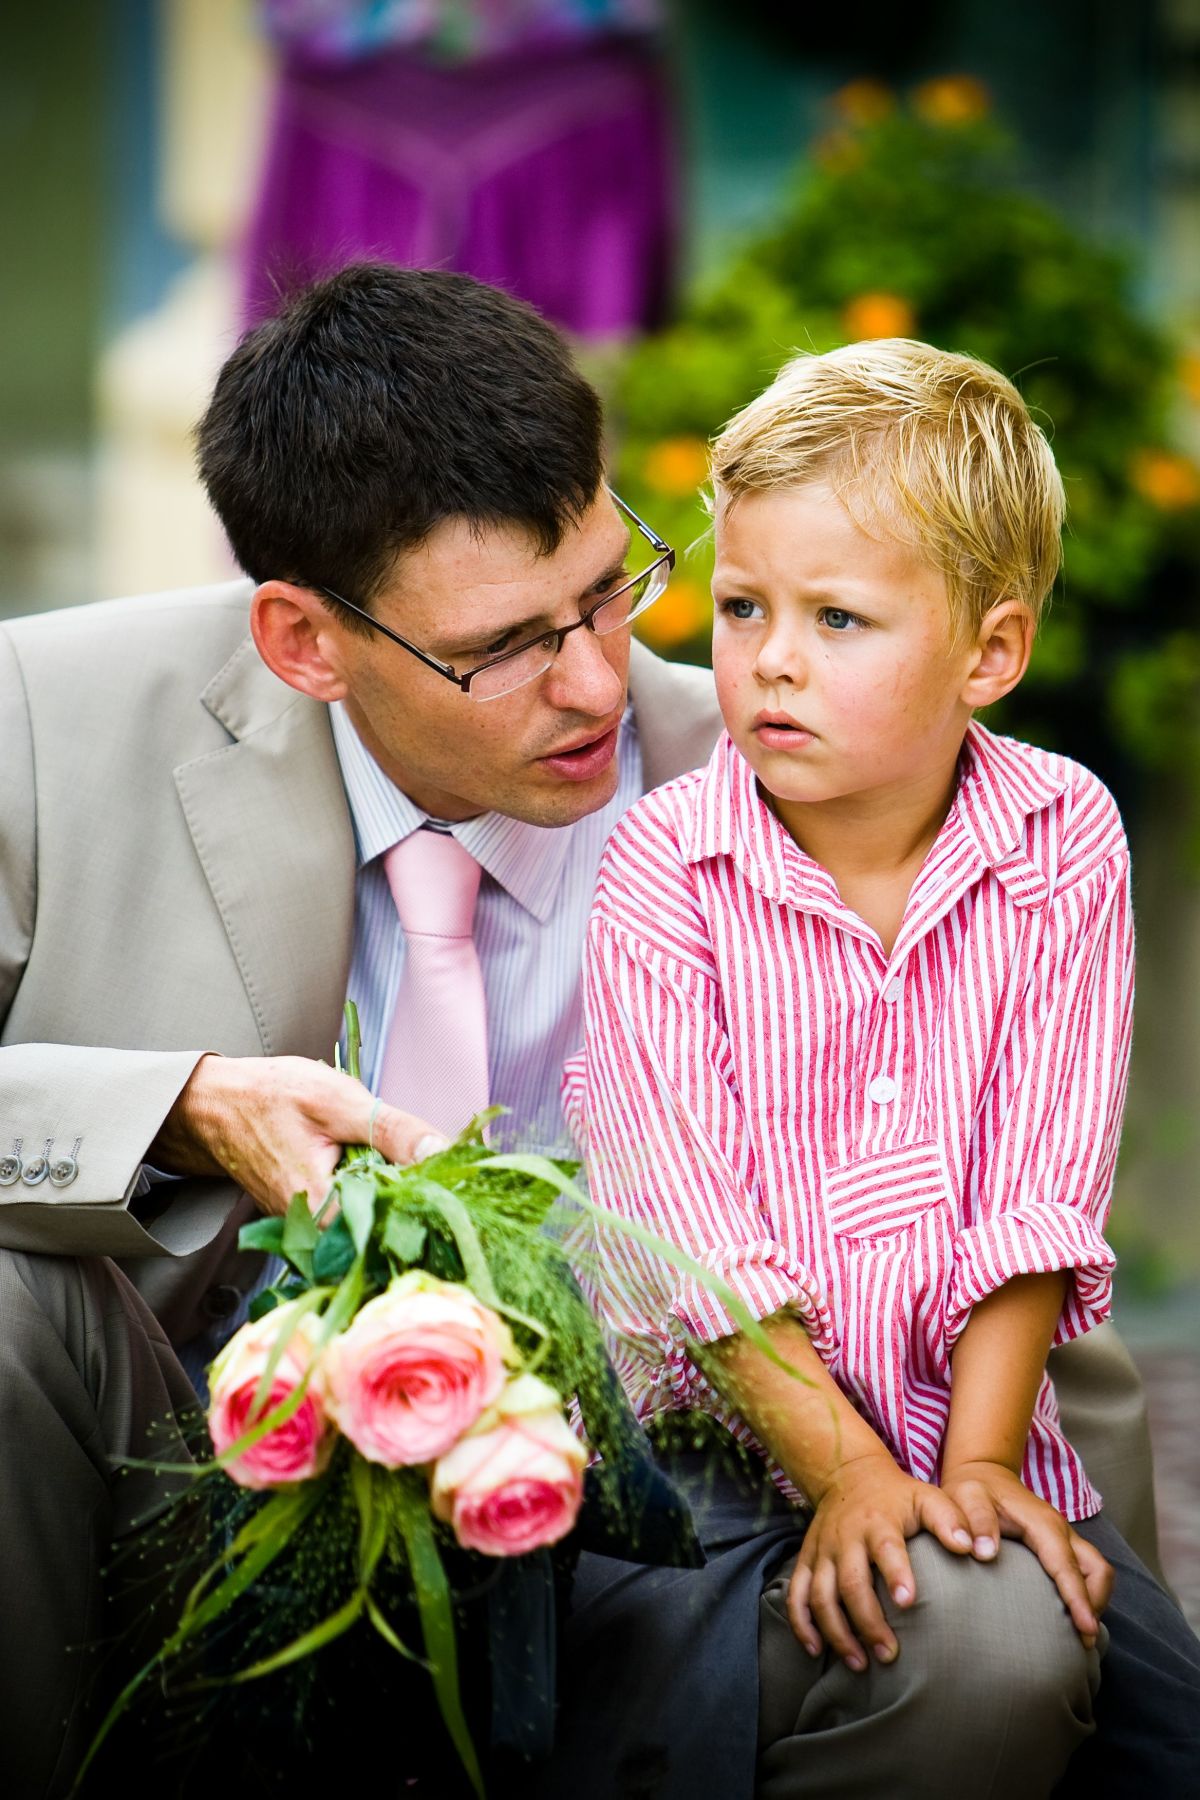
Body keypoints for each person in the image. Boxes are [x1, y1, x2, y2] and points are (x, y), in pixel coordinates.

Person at [0, 270, 1160, 1793]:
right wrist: (181, 1103)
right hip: (188, 1481)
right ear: (303, 639)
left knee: (988, 1645)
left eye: (619, 586)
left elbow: (1002, 1146)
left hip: (670, 1528)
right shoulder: (46, 713)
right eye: (505, 648)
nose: (607, 681)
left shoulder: (788, 763)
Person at [554, 340, 1200, 1798]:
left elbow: (1037, 1195)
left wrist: (977, 1476)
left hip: (987, 1425)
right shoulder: (668, 862)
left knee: (1153, 1730)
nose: (769, 658)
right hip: (723, 1470)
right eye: (740, 608)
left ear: (990, 652)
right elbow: (683, 1238)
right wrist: (849, 1473)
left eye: (838, 618)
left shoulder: (1063, 838)